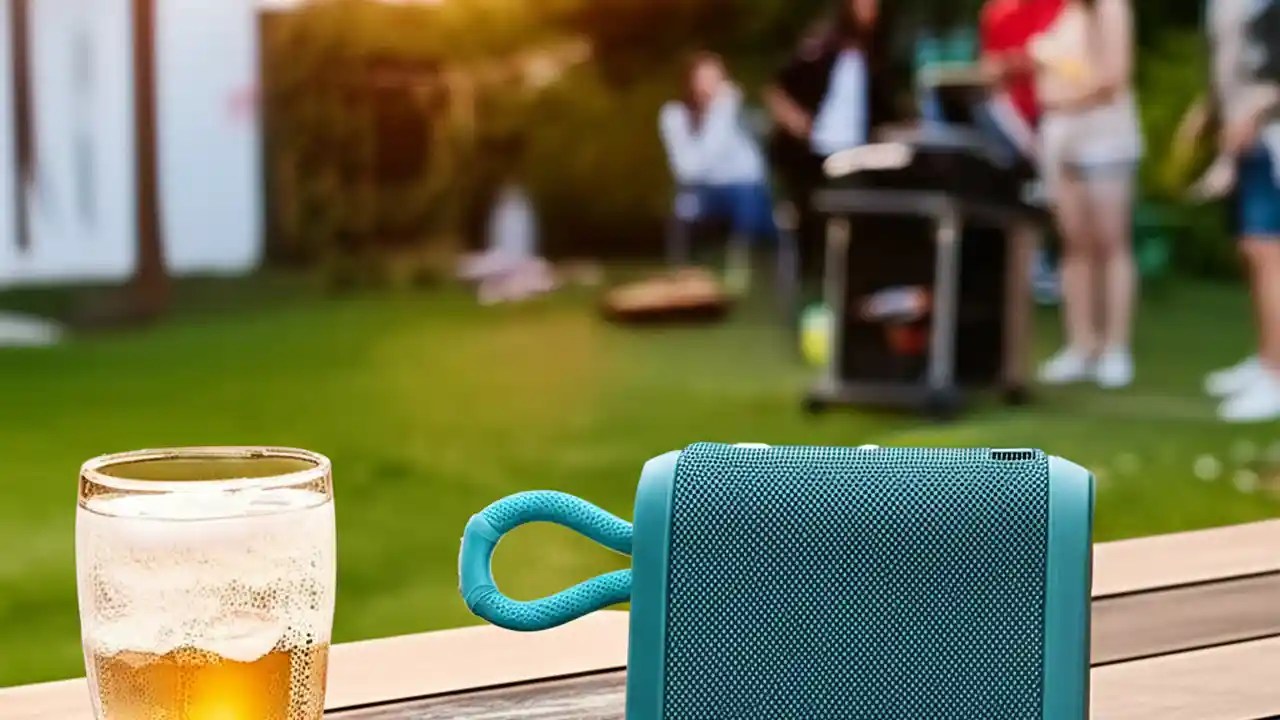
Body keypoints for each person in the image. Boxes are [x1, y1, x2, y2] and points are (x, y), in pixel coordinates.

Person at [1030, 0, 1143, 389]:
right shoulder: (1066, 14)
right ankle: (1081, 344)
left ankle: (1115, 348)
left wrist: (1063, 99)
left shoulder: (1111, 8)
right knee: (1074, 245)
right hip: (1062, 143)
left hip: (1105, 140)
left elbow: (1113, 77)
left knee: (1111, 243)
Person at [764, 0, 895, 299]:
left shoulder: (873, 59)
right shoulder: (821, 48)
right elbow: (778, 89)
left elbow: (883, 112)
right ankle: (812, 283)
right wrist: (798, 124)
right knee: (815, 217)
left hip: (856, 155)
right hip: (813, 154)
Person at [1200, 0, 1280, 421]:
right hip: (1255, 134)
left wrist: (1253, 115)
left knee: (1268, 252)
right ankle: (1267, 357)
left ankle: (1275, 375)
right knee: (1255, 250)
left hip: (1270, 133)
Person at [659, 52, 774, 292]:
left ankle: (739, 264)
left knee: (748, 197)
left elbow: (752, 169)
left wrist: (726, 112)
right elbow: (689, 170)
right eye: (704, 77)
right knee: (685, 206)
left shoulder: (739, 116)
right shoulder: (674, 115)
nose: (711, 85)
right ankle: (686, 272)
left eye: (716, 78)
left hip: (743, 190)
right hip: (701, 191)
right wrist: (720, 113)